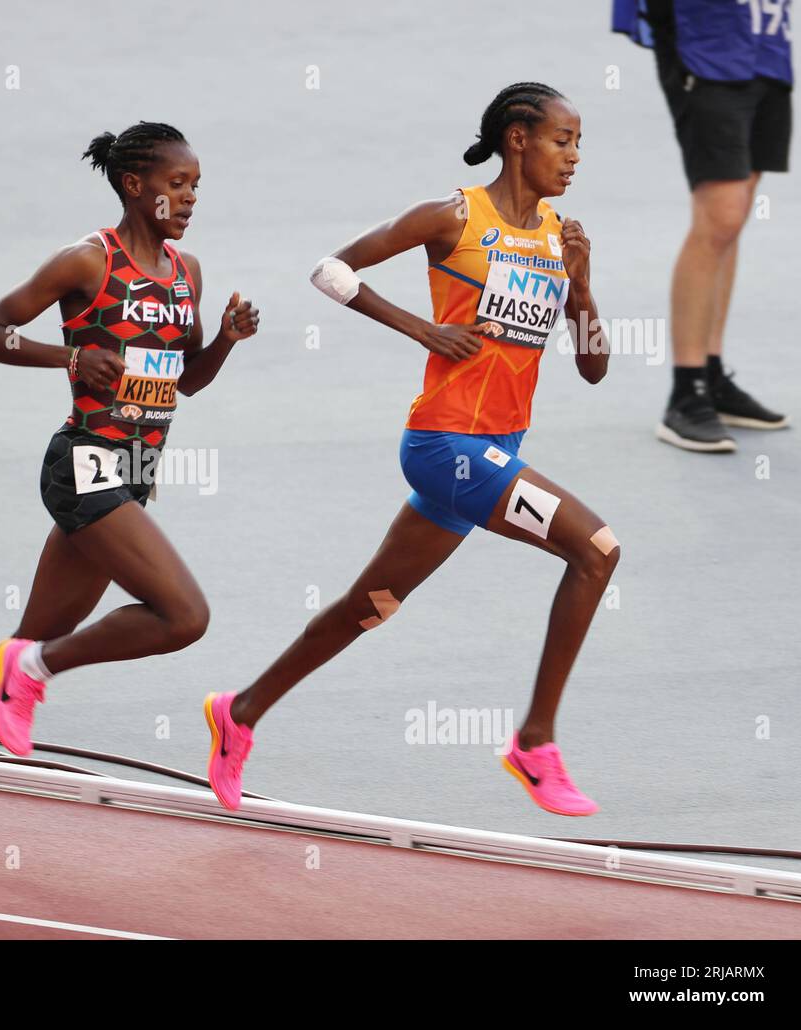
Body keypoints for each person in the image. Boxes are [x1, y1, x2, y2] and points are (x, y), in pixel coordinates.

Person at [206, 83, 617, 818]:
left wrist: (582, 292)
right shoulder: (453, 216)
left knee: (371, 605)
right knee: (597, 550)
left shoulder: (561, 235)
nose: (575, 157)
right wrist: (421, 330)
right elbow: (332, 270)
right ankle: (536, 742)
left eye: (580, 142)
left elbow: (593, 367)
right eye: (564, 140)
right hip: (444, 445)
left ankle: (239, 713)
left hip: (493, 449)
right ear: (517, 138)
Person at [0, 122, 259, 843]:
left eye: (196, 187)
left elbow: (186, 381)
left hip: (135, 475)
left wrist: (226, 345)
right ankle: (41, 669)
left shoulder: (188, 273)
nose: (188, 200)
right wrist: (70, 357)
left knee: (28, 638)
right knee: (183, 616)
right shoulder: (88, 262)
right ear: (133, 185)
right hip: (85, 465)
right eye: (176, 186)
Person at [614, 0, 792, 452]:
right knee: (721, 214)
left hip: (766, 40)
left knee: (734, 217)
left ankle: (711, 376)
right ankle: (685, 392)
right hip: (705, 44)